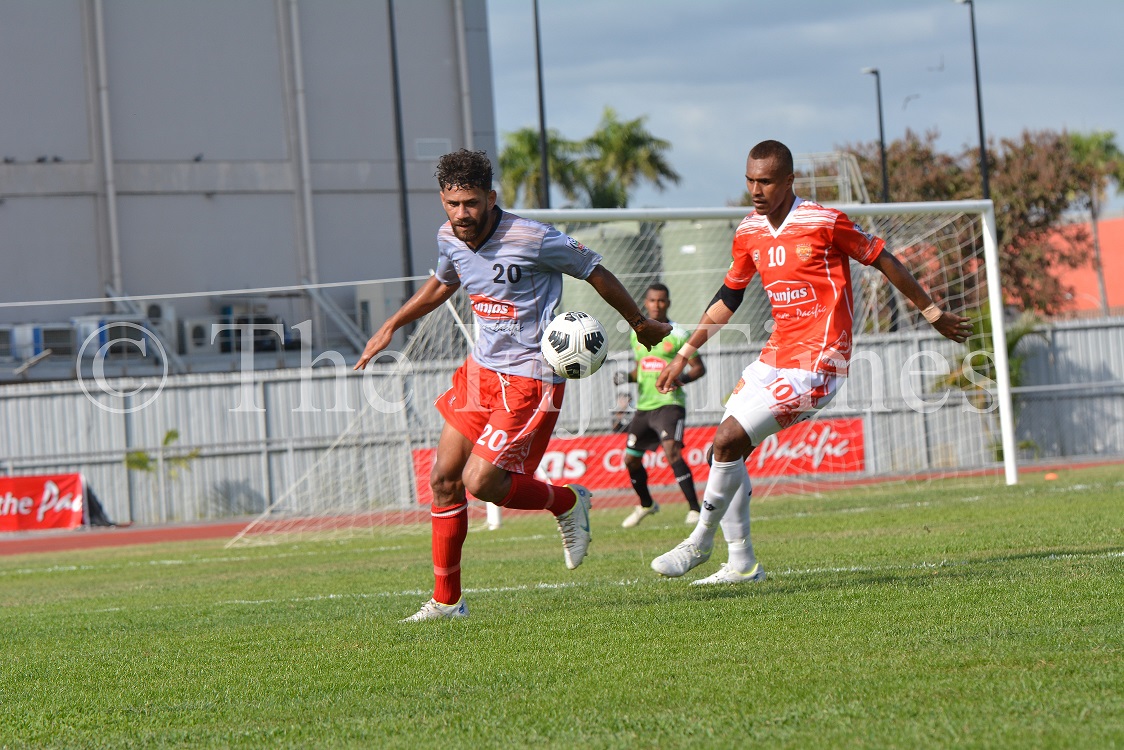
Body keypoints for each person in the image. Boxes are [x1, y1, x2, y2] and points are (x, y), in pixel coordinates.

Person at [355, 149, 671, 621]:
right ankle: (447, 603)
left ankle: (566, 501)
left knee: (480, 482)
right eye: (453, 203)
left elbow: (595, 270)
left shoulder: (532, 237)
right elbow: (445, 282)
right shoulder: (449, 237)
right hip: (480, 372)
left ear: (490, 197)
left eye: (471, 203)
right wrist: (391, 325)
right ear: (443, 200)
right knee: (442, 480)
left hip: (529, 379)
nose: (462, 214)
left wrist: (639, 321)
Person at [650, 140, 973, 585]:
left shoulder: (824, 221)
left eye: (765, 181)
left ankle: (700, 541)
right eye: (749, 180)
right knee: (723, 452)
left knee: (726, 440)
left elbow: (883, 259)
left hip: (821, 361)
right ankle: (742, 564)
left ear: (788, 181)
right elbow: (729, 297)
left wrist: (931, 312)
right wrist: (686, 352)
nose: (755, 189)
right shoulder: (749, 231)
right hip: (774, 356)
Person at [613, 283, 706, 528]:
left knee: (671, 451)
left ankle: (695, 510)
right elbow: (642, 369)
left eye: (661, 301)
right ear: (645, 303)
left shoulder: (679, 334)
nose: (657, 305)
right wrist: (627, 377)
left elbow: (698, 368)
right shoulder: (637, 333)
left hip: (669, 404)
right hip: (645, 406)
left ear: (668, 303)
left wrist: (679, 380)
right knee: (630, 460)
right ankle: (646, 504)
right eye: (652, 300)